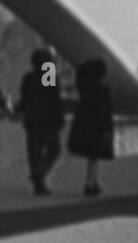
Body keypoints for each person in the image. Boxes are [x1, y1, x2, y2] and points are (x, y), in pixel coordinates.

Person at [19, 48, 64, 195]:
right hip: (47, 119)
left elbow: (24, 98)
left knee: (34, 152)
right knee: (54, 148)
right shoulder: (48, 74)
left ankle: (38, 185)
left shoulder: (28, 77)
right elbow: (53, 98)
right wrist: (59, 117)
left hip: (31, 120)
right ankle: (40, 172)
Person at [67, 59, 114, 197]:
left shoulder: (84, 88)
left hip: (37, 119)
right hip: (94, 127)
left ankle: (39, 174)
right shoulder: (101, 90)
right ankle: (91, 183)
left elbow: (49, 89)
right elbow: (106, 112)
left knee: (42, 149)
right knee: (93, 156)